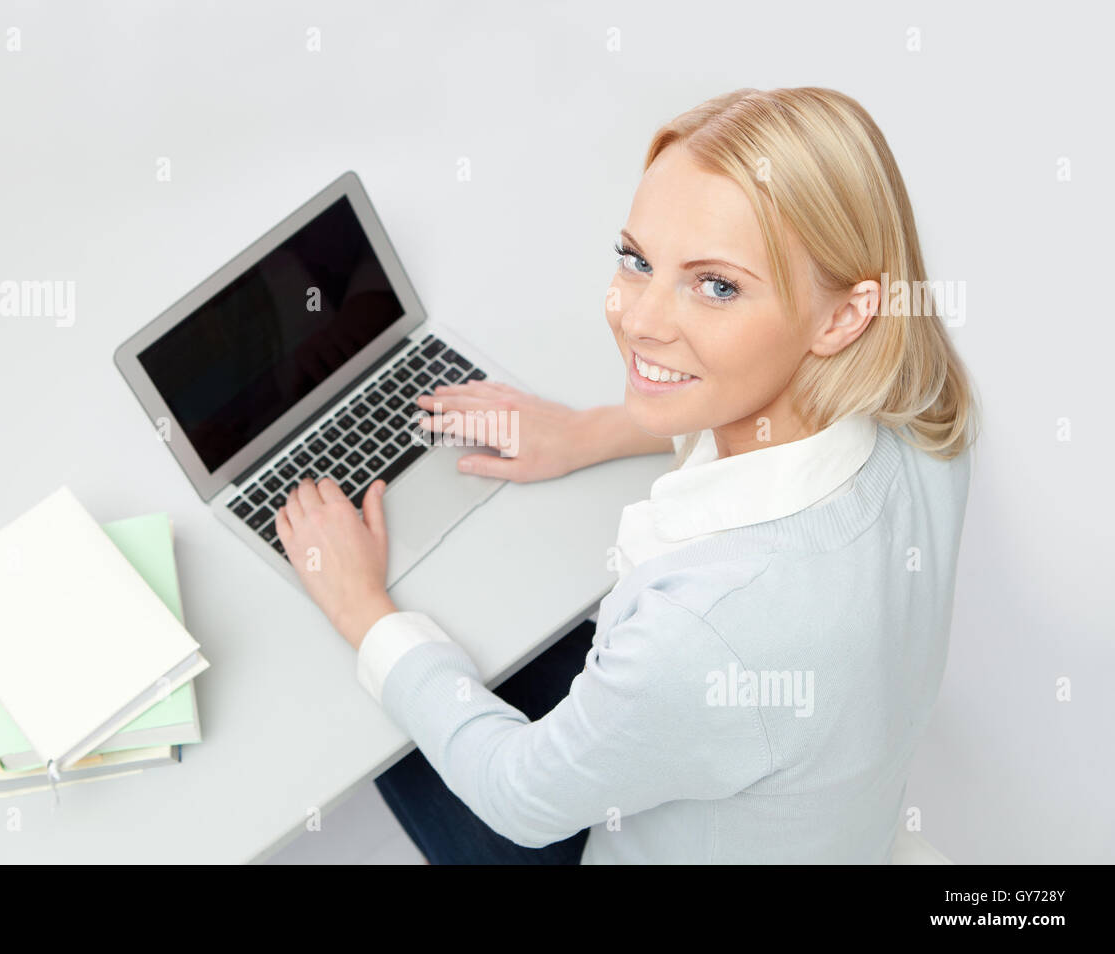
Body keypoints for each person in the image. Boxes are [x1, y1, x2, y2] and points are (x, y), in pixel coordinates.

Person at [273, 87, 977, 864]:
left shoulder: (704, 634)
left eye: (717, 286)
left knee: (393, 729)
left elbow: (521, 797)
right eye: (637, 260)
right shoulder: (928, 417)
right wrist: (588, 432)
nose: (637, 319)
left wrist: (363, 609)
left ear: (844, 316)